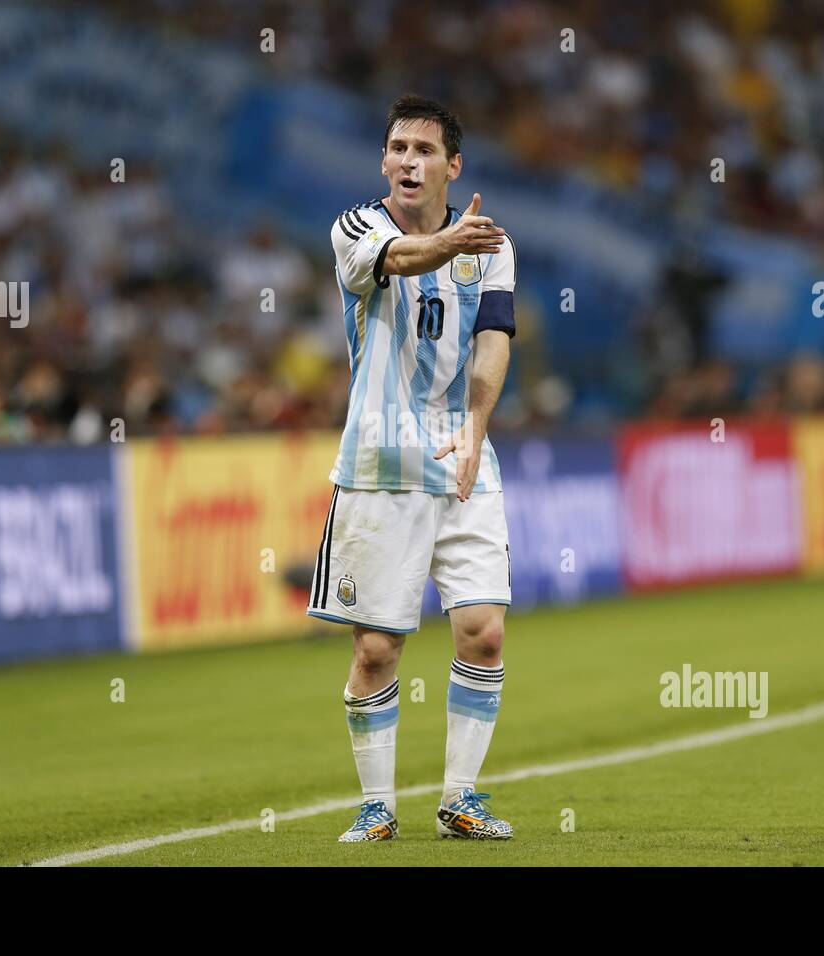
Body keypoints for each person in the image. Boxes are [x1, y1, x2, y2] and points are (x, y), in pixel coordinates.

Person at [307, 95, 518, 841]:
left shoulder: (490, 243)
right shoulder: (359, 228)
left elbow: (494, 338)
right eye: (397, 147)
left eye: (424, 150)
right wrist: (455, 242)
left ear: (452, 166)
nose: (406, 160)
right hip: (380, 463)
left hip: (464, 458)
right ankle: (376, 807)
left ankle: (461, 799)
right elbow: (399, 262)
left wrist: (475, 429)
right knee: (376, 648)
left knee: (483, 631)